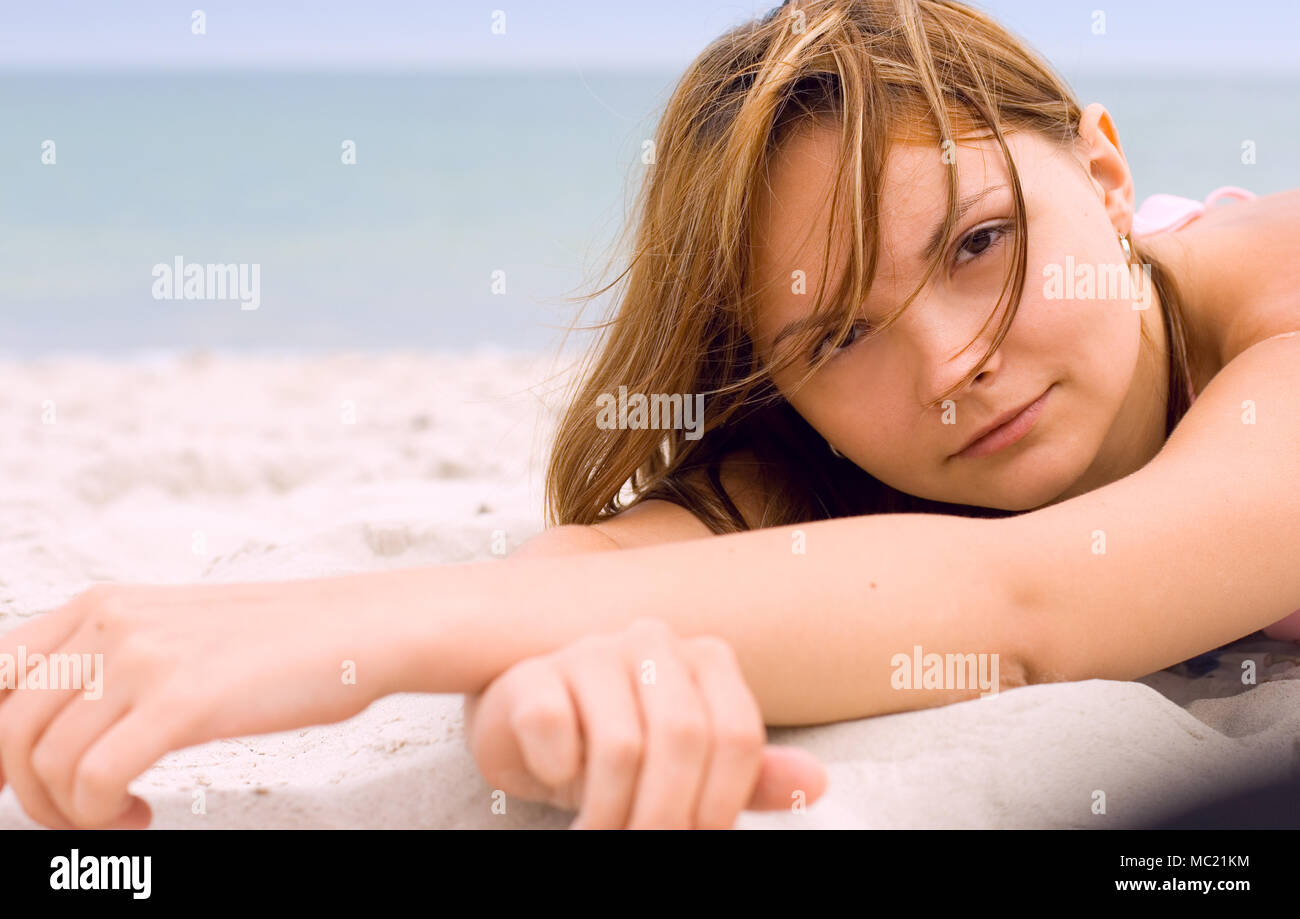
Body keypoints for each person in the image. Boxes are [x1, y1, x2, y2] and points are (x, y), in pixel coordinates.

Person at [2, 0, 1297, 831]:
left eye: (979, 240)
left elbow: (1038, 604)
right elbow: (598, 573)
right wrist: (549, 697)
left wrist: (342, 626)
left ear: (1106, 172)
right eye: (837, 333)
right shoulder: (836, 447)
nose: (949, 362)